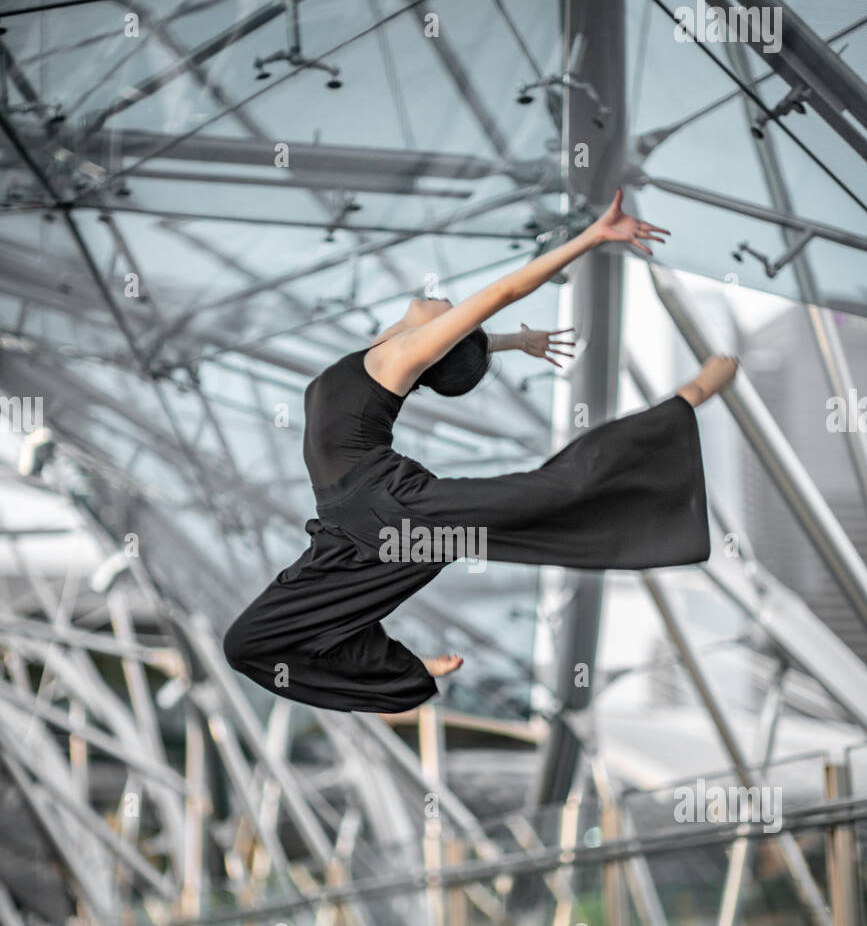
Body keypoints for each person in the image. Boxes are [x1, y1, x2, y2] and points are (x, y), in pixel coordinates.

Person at [223, 190, 737, 711]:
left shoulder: (397, 357)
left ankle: (689, 397)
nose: (450, 304)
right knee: (246, 645)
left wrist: (593, 236)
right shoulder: (388, 349)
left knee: (557, 489)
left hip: (393, 509)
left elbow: (506, 290)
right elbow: (455, 340)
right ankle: (398, 671)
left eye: (456, 319)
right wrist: (512, 342)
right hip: (348, 524)